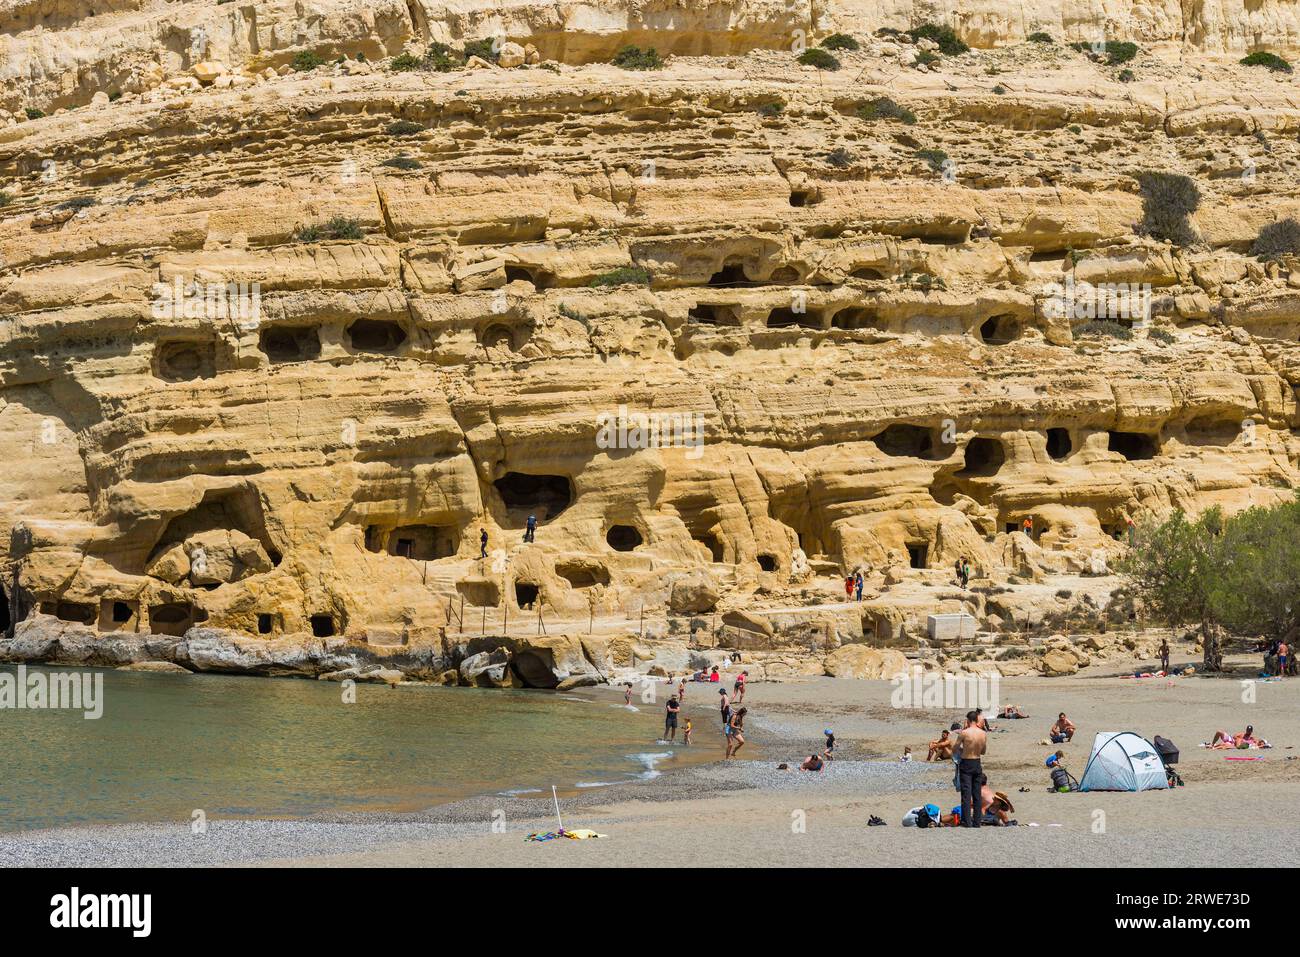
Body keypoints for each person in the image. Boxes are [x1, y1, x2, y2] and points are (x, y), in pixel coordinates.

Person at [957, 711, 987, 827]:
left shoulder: (964, 733)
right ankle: (977, 821)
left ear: (968, 720)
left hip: (966, 761)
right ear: (977, 720)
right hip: (977, 762)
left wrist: (962, 749)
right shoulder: (983, 733)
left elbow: (955, 747)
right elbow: (983, 751)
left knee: (966, 794)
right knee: (976, 794)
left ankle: (966, 822)